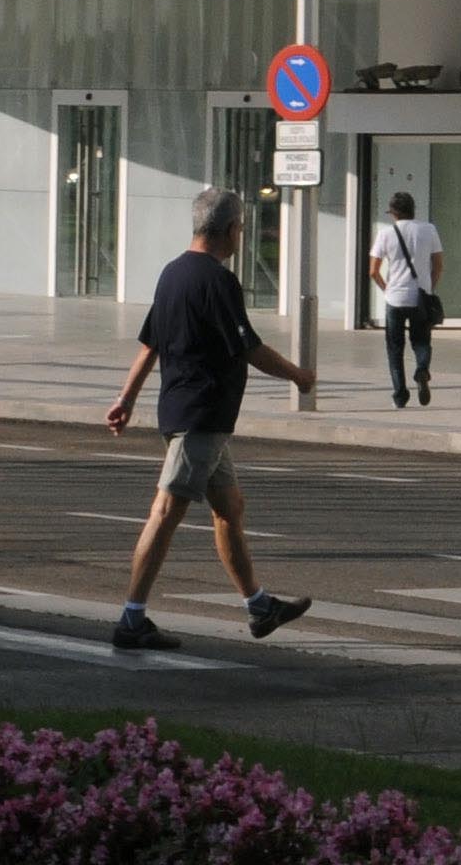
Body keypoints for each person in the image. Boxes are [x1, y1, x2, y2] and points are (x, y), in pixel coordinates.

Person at [104, 186, 314, 651]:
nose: (241, 235)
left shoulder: (171, 274)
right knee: (164, 512)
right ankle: (131, 619)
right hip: (200, 417)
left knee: (229, 509)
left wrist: (126, 398)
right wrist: (298, 376)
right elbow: (250, 347)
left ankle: (259, 606)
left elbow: (150, 345)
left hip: (197, 418)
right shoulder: (218, 281)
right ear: (230, 229)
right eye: (241, 228)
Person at [371, 189, 444, 407]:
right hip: (420, 297)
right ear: (413, 210)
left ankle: (400, 395)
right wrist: (428, 287)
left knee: (395, 348)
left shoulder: (385, 233)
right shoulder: (429, 230)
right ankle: (422, 369)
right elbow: (439, 266)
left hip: (395, 298)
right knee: (421, 341)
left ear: (393, 213)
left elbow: (373, 270)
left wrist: (386, 289)